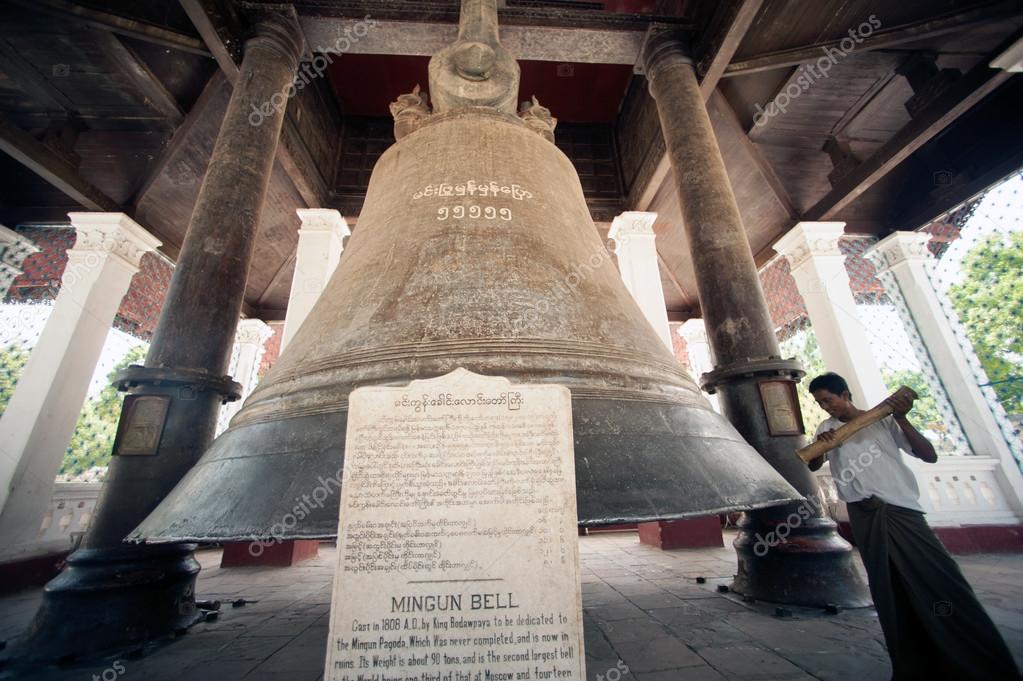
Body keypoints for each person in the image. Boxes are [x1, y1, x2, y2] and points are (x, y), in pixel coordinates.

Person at [806, 372, 1020, 681]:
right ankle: (913, 664)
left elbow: (927, 455)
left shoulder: (882, 419)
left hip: (899, 511)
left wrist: (902, 418)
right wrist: (822, 446)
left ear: (845, 394)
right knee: (889, 591)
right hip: (863, 515)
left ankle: (980, 664)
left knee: (940, 585)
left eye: (828, 399)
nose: (826, 407)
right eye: (819, 402)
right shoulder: (826, 428)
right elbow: (813, 463)